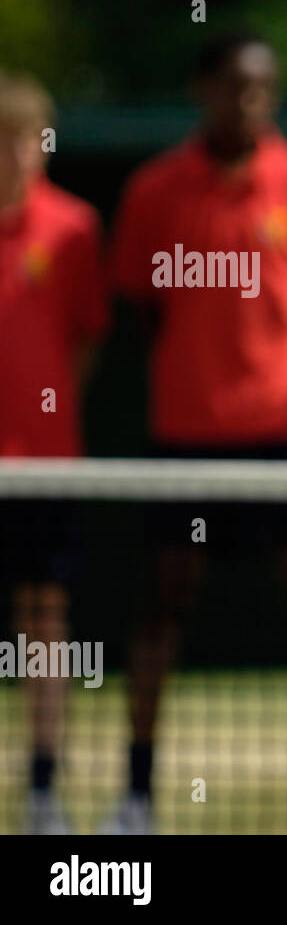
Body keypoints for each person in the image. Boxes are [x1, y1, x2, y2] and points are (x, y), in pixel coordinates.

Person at [101, 30, 287, 834]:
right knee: (161, 607)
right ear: (205, 91)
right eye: (236, 88)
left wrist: (272, 374)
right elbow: (144, 308)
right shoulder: (155, 191)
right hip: (187, 436)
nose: (251, 103)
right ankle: (137, 795)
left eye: (265, 89)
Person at [0, 71, 108, 834]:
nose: (15, 153)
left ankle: (42, 783)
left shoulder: (73, 227)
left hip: (46, 464)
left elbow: (83, 340)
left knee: (45, 613)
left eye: (27, 138)